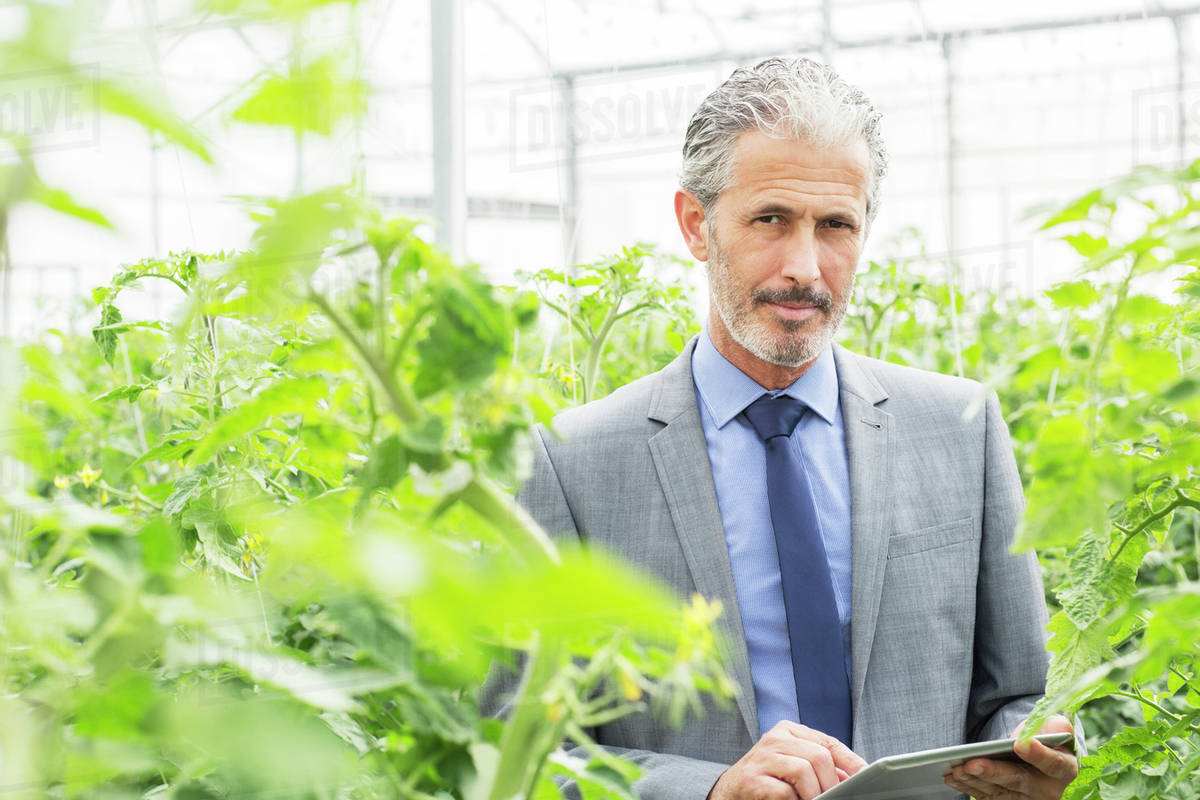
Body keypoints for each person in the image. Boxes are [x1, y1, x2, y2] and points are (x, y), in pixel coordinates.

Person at [504, 57, 1080, 800]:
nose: (805, 267)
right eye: (771, 219)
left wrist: (1042, 759)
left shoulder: (960, 429)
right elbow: (519, 744)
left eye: (836, 225)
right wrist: (708, 791)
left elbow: (1024, 692)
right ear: (695, 225)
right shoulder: (572, 462)